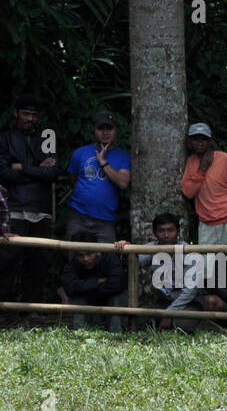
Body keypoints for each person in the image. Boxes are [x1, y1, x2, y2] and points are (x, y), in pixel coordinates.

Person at [0, 95, 64, 306]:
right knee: (7, 261)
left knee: (38, 263)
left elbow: (53, 173)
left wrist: (22, 167)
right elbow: (3, 172)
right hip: (14, 207)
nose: (30, 119)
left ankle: (31, 313)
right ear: (16, 113)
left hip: (41, 208)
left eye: (34, 115)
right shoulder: (5, 137)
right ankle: (4, 310)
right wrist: (37, 169)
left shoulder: (47, 137)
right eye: (26, 114)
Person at [117, 212, 201, 329]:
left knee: (183, 326)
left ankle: (168, 322)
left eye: (170, 230)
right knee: (131, 322)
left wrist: (169, 313)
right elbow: (135, 262)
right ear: (155, 233)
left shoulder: (189, 252)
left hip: (187, 303)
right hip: (163, 302)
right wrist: (127, 250)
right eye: (161, 231)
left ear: (178, 232)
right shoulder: (153, 247)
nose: (166, 235)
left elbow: (190, 292)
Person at [180, 123, 227, 246]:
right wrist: (202, 170)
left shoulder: (225, 159)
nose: (200, 143)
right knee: (207, 263)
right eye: (196, 139)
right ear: (190, 142)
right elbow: (188, 192)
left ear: (210, 141)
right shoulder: (191, 162)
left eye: (204, 139)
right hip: (206, 222)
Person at [66, 111, 130, 244]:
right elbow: (73, 179)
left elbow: (123, 183)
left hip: (105, 219)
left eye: (109, 128)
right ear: (94, 130)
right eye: (101, 128)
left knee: (106, 259)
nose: (105, 133)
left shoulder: (123, 156)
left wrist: (103, 162)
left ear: (116, 130)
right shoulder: (80, 153)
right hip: (78, 215)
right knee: (74, 255)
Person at [57, 232, 124, 330]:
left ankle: (116, 333)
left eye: (89, 254)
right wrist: (96, 282)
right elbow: (70, 288)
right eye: (80, 255)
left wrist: (85, 288)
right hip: (88, 304)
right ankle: (80, 333)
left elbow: (117, 284)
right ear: (74, 254)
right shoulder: (72, 265)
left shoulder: (109, 258)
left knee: (116, 298)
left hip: (109, 302)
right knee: (78, 300)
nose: (85, 259)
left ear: (97, 250)